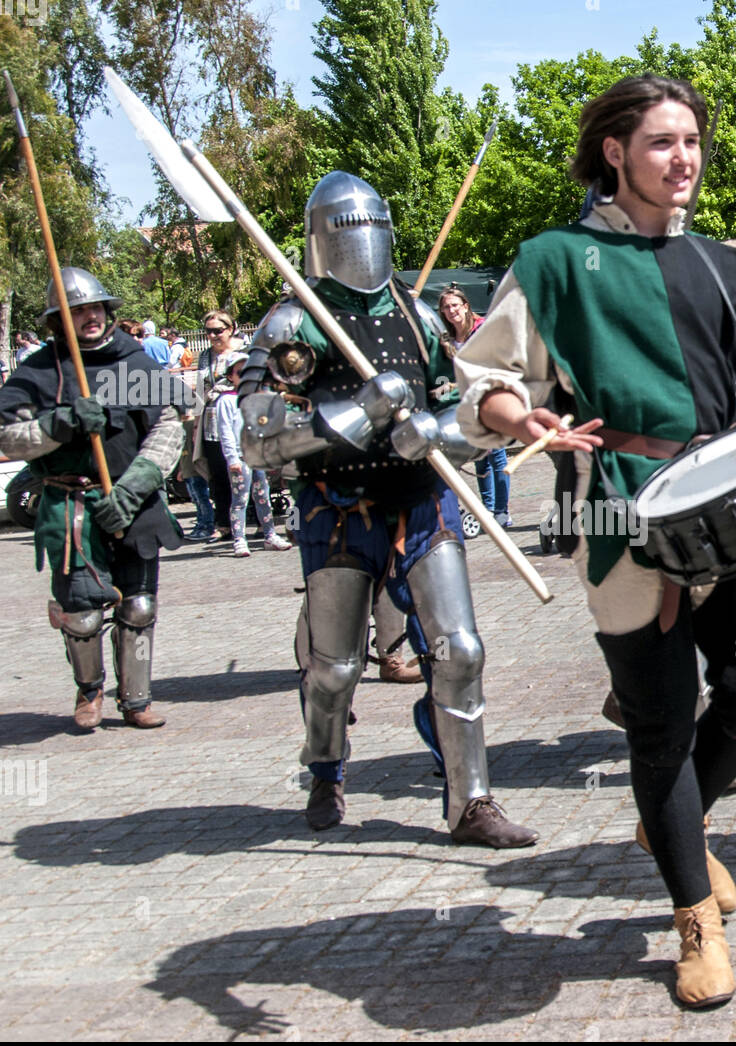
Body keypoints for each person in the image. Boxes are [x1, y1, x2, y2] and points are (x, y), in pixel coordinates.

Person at [454, 75, 736, 1008]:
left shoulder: (721, 263)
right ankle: (695, 917)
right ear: (615, 151)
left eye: (691, 142)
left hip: (732, 495)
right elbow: (482, 377)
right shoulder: (555, 261)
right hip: (618, 511)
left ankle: (668, 817)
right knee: (657, 721)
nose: (682, 159)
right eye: (660, 142)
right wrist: (516, 414)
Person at [237, 170, 538, 849]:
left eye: (369, 224)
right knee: (335, 666)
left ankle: (471, 800)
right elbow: (258, 440)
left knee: (459, 649)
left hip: (421, 501)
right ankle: (325, 768)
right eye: (347, 227)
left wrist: (436, 432)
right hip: (337, 505)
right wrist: (356, 412)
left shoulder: (420, 314)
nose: (361, 239)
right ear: (321, 237)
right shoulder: (292, 323)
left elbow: (467, 414)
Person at [0, 267, 186, 729]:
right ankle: (90, 692)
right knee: (80, 614)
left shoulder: (133, 362)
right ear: (60, 320)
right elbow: (6, 435)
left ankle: (136, 700)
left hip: (132, 502)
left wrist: (137, 484)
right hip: (71, 508)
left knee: (139, 606)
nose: (90, 317)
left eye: (96, 308)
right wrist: (57, 425)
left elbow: (169, 425)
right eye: (78, 311)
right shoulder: (38, 370)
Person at [438, 285, 511, 526]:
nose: (451, 311)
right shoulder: (447, 339)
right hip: (466, 404)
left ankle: (501, 511)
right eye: (446, 307)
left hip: (489, 399)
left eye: (455, 305)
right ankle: (488, 510)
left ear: (466, 306)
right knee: (479, 457)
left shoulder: (482, 329)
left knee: (496, 457)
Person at [210, 351, 292, 557]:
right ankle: (239, 538)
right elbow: (225, 431)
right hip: (240, 456)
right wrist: (231, 458)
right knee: (240, 498)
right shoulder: (226, 401)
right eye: (239, 372)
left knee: (263, 495)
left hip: (257, 455)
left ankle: (270, 534)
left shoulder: (257, 398)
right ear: (231, 376)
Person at [194, 311, 240, 541]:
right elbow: (200, 389)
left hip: (237, 420)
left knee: (247, 473)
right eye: (208, 331)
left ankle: (263, 522)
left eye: (217, 331)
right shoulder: (204, 357)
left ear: (230, 329)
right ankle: (224, 524)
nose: (212, 336)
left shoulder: (242, 353)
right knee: (219, 475)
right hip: (211, 422)